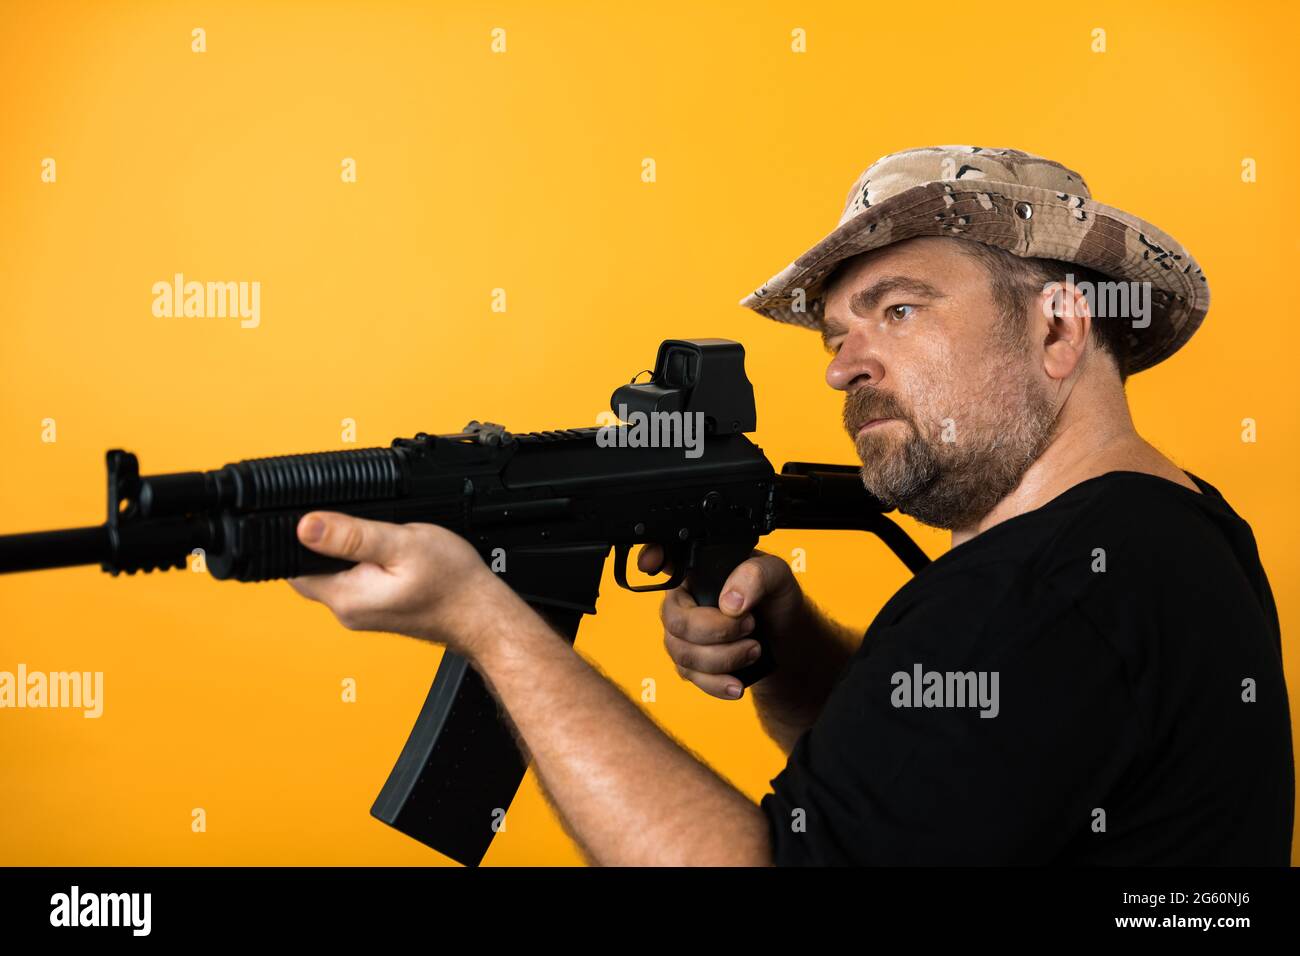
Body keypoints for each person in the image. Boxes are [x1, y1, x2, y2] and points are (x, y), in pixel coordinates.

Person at [288, 146, 1293, 865]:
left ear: (1060, 326)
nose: (844, 366)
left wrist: (491, 625)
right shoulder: (1172, 535)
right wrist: (800, 657)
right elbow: (974, 782)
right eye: (833, 335)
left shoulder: (1032, 594)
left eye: (899, 308)